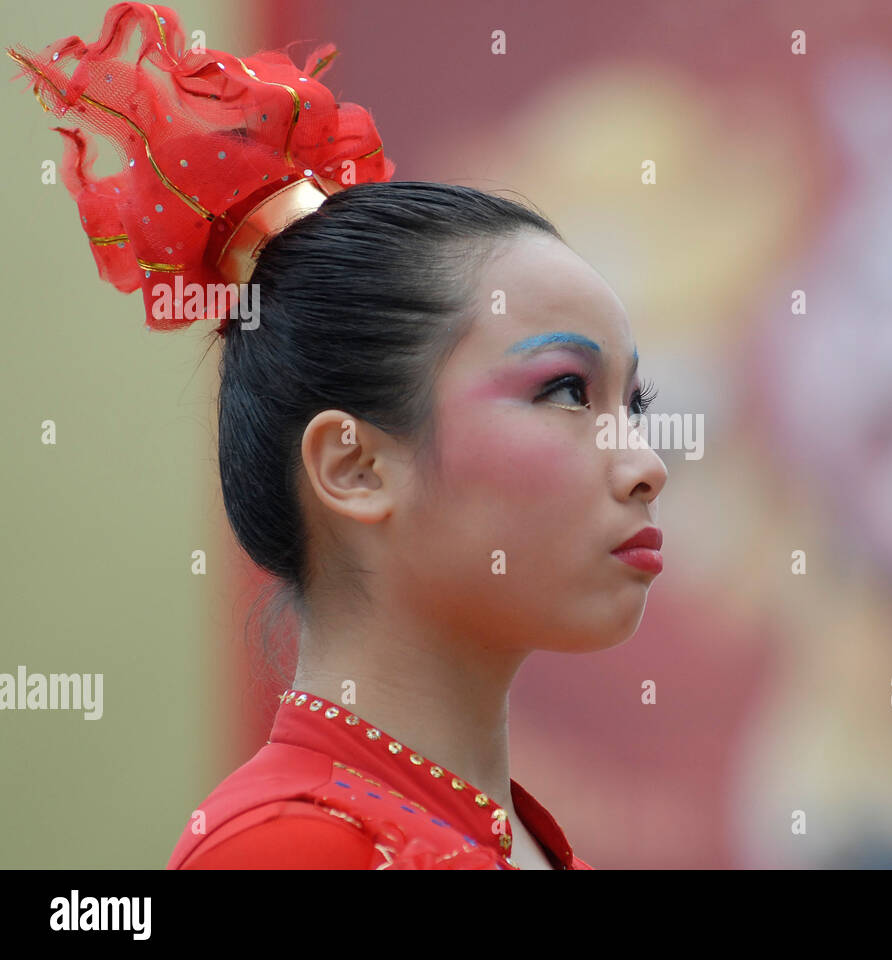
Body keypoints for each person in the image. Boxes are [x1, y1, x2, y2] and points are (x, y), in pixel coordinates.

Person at [9, 2, 667, 870]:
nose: (648, 466)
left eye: (638, 405)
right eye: (566, 391)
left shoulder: (524, 843)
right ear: (353, 467)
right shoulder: (289, 846)